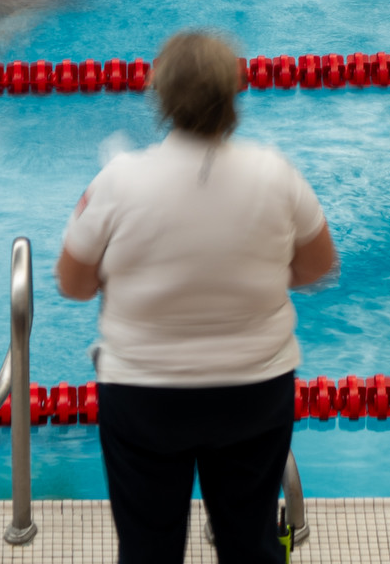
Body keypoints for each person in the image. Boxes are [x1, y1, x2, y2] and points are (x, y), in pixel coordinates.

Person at [57, 30, 336, 564]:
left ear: (158, 93)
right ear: (238, 90)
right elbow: (318, 266)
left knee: (148, 548)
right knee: (251, 542)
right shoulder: (275, 172)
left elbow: (73, 285)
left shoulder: (119, 180)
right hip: (255, 391)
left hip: (145, 395)